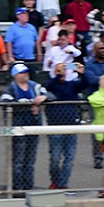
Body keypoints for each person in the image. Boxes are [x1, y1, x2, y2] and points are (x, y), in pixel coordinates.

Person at [1, 64, 47, 190]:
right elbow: (5, 102)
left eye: (26, 72)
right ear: (15, 75)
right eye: (22, 72)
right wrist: (29, 104)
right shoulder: (11, 88)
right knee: (18, 160)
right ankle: (17, 187)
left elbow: (50, 95)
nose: (26, 74)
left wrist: (43, 97)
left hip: (34, 126)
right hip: (18, 128)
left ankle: (28, 186)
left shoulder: (35, 86)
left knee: (30, 160)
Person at [43, 60, 87, 189]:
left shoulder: (72, 85)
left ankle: (62, 184)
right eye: (58, 70)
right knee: (55, 159)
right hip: (55, 127)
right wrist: (58, 75)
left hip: (71, 126)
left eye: (63, 70)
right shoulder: (52, 86)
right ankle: (55, 181)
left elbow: (85, 84)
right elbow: (48, 86)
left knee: (69, 159)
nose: (61, 72)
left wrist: (81, 73)